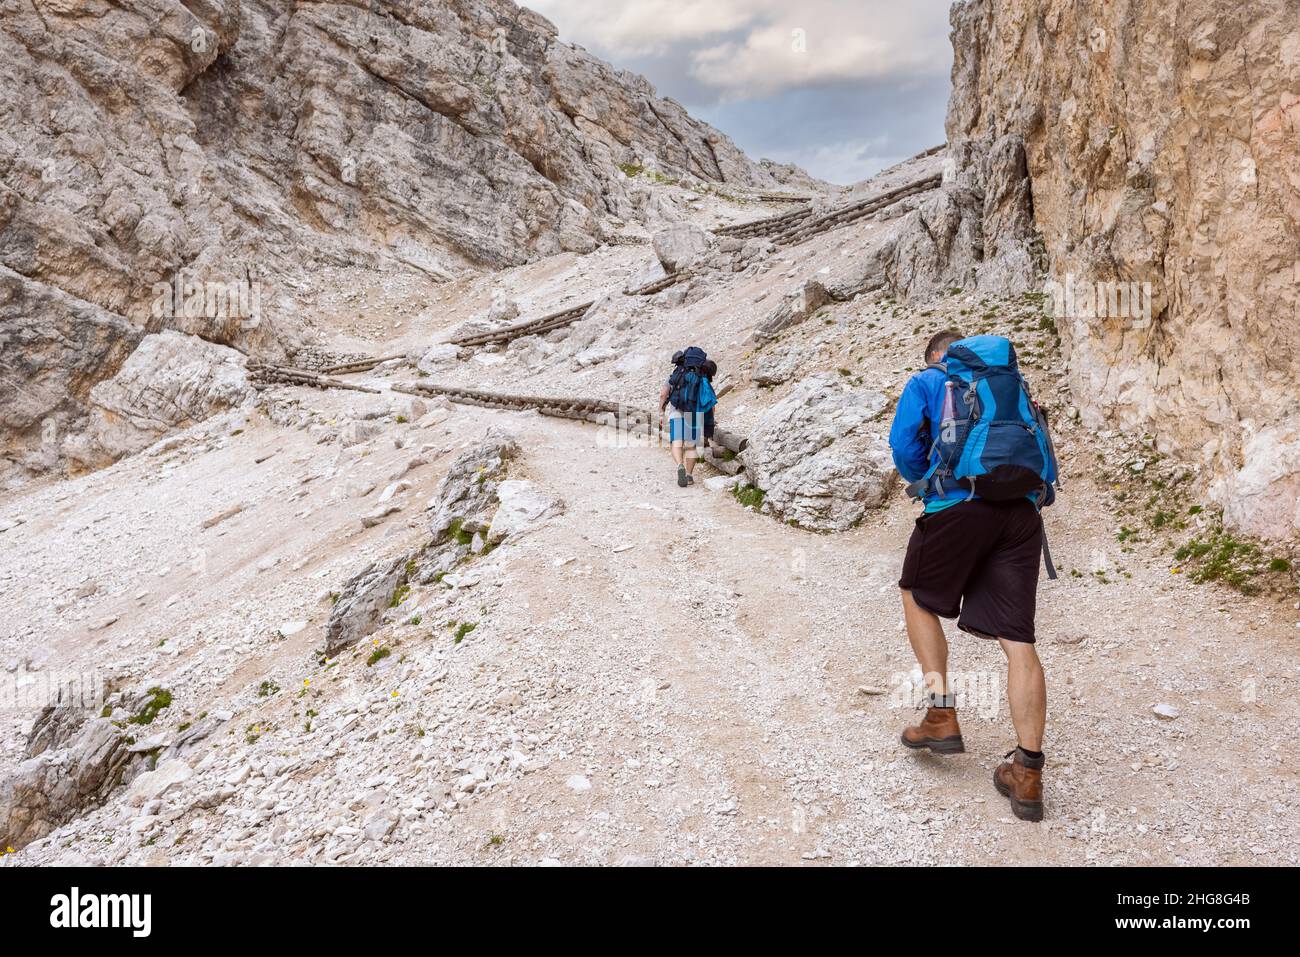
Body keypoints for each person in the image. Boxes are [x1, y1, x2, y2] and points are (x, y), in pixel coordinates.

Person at [887, 329, 1051, 822]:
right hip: (1022, 516)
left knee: (916, 595)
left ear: (938, 355)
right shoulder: (1011, 383)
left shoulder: (929, 380)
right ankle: (1027, 773)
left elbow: (902, 446)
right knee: (1018, 640)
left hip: (958, 506)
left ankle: (940, 714)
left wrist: (928, 487)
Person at [658, 347, 716, 487]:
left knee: (677, 442)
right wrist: (710, 419)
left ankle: (679, 465)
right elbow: (710, 400)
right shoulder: (702, 376)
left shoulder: (677, 373)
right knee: (691, 445)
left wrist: (661, 411)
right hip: (695, 413)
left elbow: (663, 393)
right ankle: (689, 475)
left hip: (676, 411)